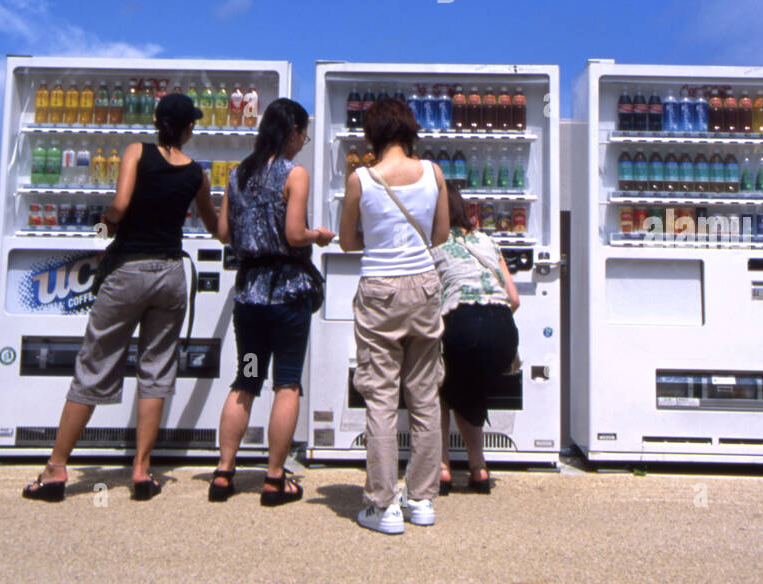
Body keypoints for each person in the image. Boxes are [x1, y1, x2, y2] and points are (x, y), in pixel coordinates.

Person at [22, 92, 219, 501]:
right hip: (170, 273)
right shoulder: (198, 175)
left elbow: (119, 206)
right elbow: (216, 227)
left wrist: (101, 229)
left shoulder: (135, 151)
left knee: (95, 363)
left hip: (128, 270)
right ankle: (143, 472)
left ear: (156, 122)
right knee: (157, 369)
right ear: (187, 128)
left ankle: (57, 469)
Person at [209, 99, 333, 505]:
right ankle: (274, 479)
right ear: (293, 130)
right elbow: (295, 234)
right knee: (287, 382)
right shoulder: (294, 174)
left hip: (249, 298)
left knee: (246, 378)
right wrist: (318, 235)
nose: (303, 142)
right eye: (303, 134)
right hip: (287, 296)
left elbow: (224, 232)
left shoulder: (238, 174)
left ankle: (224, 473)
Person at [339, 97, 450, 534]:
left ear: (372, 134)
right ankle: (421, 500)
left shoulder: (361, 179)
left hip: (379, 290)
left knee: (382, 399)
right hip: (424, 286)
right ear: (410, 130)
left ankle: (382, 506)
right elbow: (439, 235)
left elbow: (348, 242)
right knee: (424, 396)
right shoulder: (433, 173)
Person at [433, 184, 519, 494]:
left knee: (437, 383)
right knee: (469, 384)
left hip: (463, 322)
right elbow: (514, 298)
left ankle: (441, 467)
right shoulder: (487, 240)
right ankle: (478, 468)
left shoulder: (433, 243)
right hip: (503, 331)